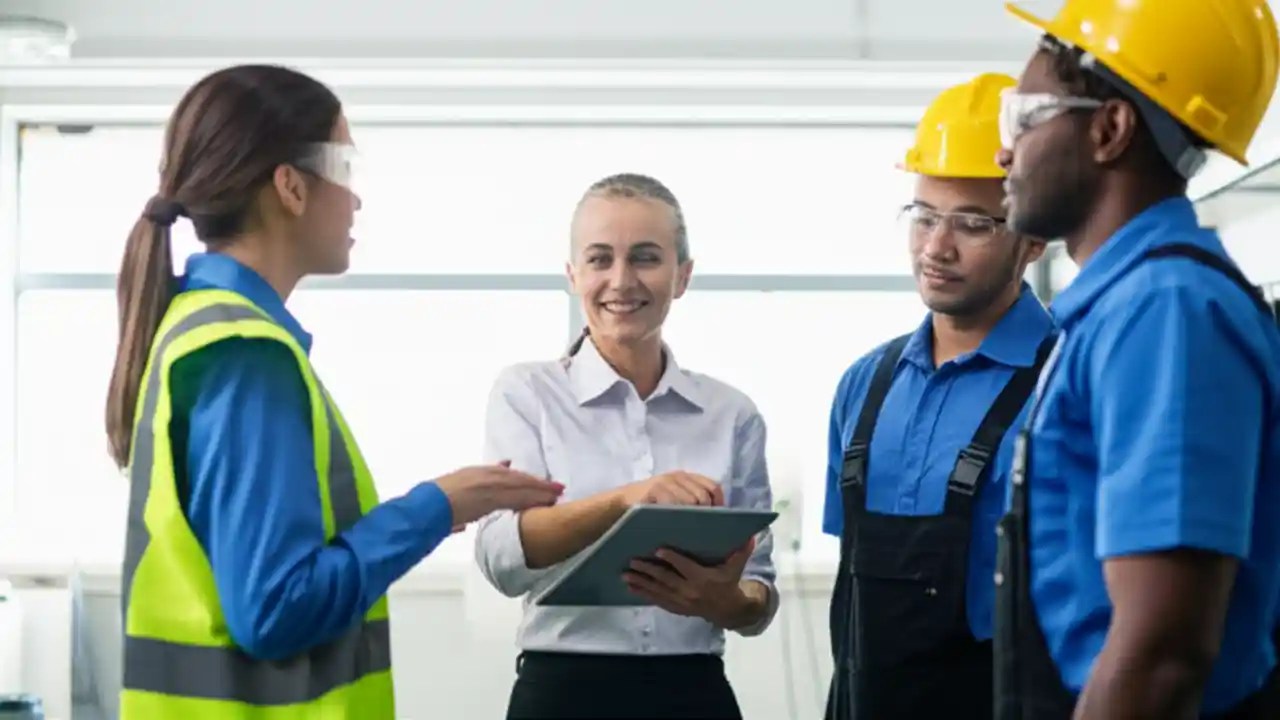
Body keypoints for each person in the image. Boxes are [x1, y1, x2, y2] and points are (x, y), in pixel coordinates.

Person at [106, 64, 564, 719]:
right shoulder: (245, 355)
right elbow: (275, 610)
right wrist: (433, 508)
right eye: (345, 169)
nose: (356, 200)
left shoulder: (199, 329)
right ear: (290, 186)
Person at [993, 0, 1280, 717]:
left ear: (1109, 129)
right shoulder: (1114, 310)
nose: (1003, 152)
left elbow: (1162, 655)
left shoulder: (1166, 310)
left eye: (1021, 120)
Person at [472, 172, 779, 719]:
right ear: (572, 275)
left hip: (696, 693)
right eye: (599, 259)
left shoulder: (732, 415)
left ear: (682, 276)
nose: (621, 280)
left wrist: (725, 602)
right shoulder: (528, 394)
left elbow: (758, 594)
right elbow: (501, 560)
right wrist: (628, 499)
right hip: (564, 693)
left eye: (645, 257)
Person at [822, 72, 1056, 720]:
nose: (936, 247)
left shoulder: (1069, 382)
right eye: (923, 217)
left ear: (1033, 238)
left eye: (973, 223)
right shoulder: (863, 385)